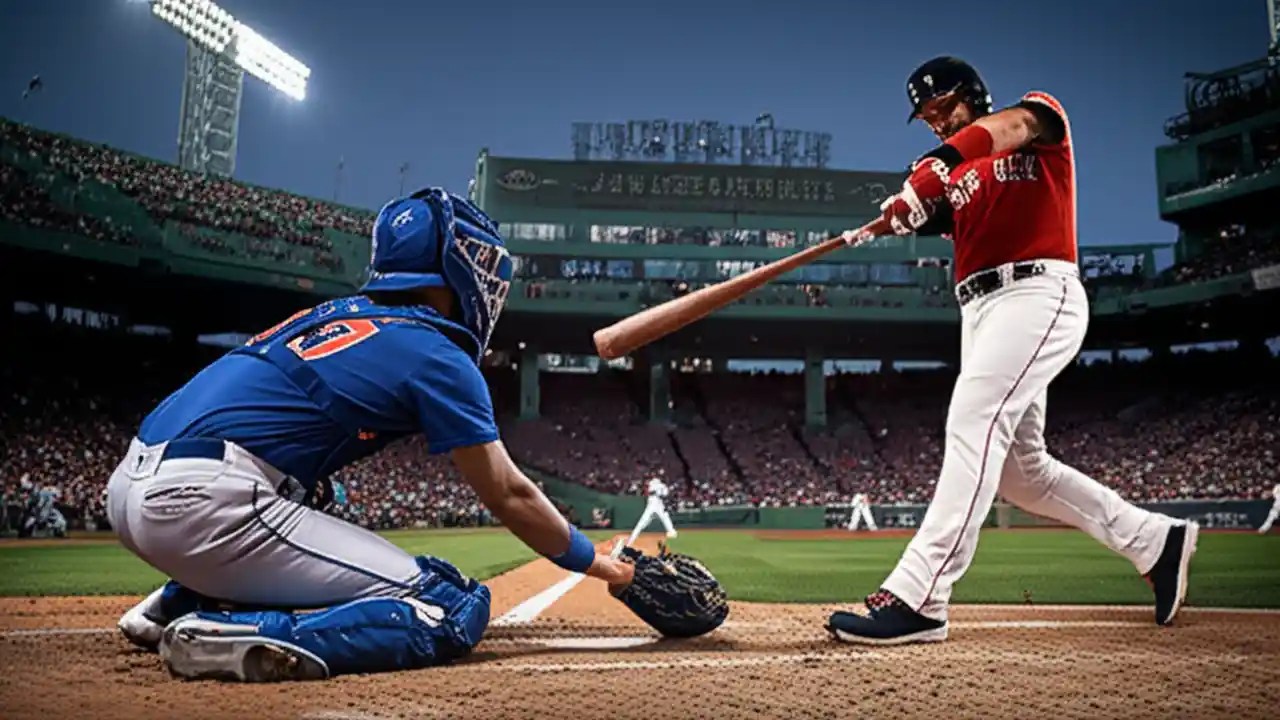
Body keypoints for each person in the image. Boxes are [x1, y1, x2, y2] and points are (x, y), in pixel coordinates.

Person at [109, 188, 637, 682]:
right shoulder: (436, 351)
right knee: (449, 604)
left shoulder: (333, 313)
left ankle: (176, 603)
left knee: (310, 492)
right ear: (453, 269)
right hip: (203, 503)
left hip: (134, 486)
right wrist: (599, 563)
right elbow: (508, 492)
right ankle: (244, 639)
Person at [827, 57, 1198, 646]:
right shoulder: (959, 174)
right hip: (979, 312)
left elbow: (1004, 131)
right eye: (927, 118)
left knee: (973, 419)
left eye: (945, 107)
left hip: (1037, 291)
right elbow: (934, 205)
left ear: (974, 94)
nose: (938, 122)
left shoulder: (1034, 118)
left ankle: (921, 596)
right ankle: (1155, 540)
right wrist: (901, 212)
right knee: (1023, 475)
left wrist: (934, 167)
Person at [626, 475, 677, 544]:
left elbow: (646, 489)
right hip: (659, 505)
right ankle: (672, 532)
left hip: (652, 505)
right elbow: (665, 495)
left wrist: (639, 486)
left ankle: (631, 539)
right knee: (665, 518)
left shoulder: (652, 483)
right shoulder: (663, 485)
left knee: (641, 523)